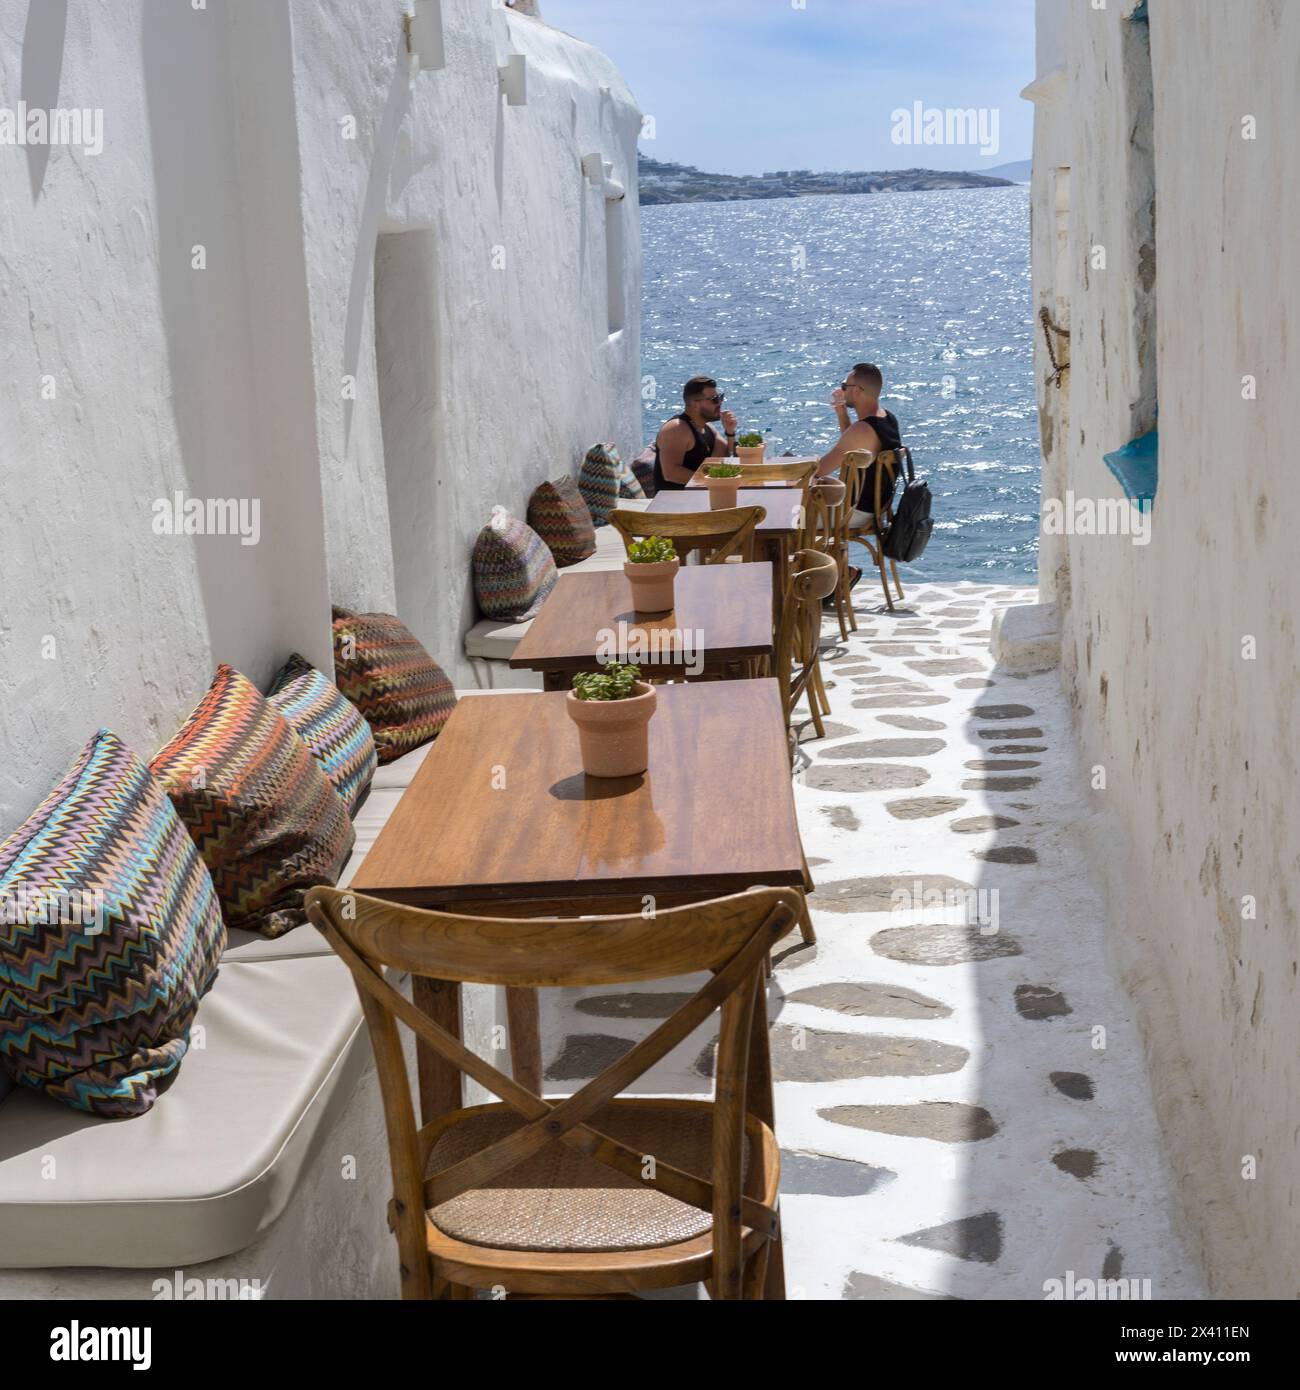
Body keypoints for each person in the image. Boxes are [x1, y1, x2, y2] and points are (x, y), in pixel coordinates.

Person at [816, 362, 905, 589]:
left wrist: (791, 466)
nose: (842, 389)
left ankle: (836, 576)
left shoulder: (863, 430)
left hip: (854, 512)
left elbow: (821, 468)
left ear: (857, 391)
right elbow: (852, 441)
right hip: (877, 510)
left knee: (795, 517)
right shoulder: (888, 419)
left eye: (844, 385)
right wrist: (841, 412)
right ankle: (834, 573)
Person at [651, 376, 739, 491]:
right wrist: (712, 481)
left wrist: (730, 432)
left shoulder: (708, 428)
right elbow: (671, 473)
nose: (720, 403)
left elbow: (725, 456)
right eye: (715, 399)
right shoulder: (676, 429)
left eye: (720, 397)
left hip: (698, 500)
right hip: (675, 505)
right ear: (696, 404)